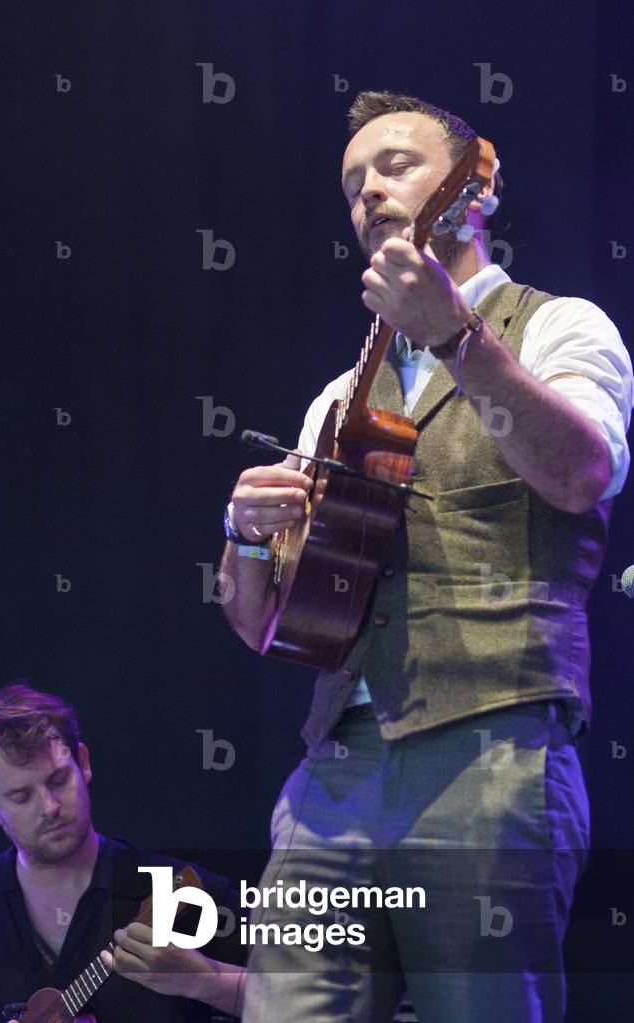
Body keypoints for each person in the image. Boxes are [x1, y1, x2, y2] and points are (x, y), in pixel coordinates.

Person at [220, 92, 633, 1023]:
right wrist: (242, 534)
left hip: (490, 744)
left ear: (474, 187)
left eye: (395, 166)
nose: (368, 192)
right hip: (334, 768)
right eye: (351, 185)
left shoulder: (559, 326)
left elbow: (580, 474)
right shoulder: (340, 396)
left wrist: (453, 335)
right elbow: (270, 627)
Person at [0, 684, 245, 1023]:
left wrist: (205, 981)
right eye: (21, 796)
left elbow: (282, 998)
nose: (49, 807)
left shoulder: (189, 893)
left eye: (58, 780)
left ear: (83, 763)